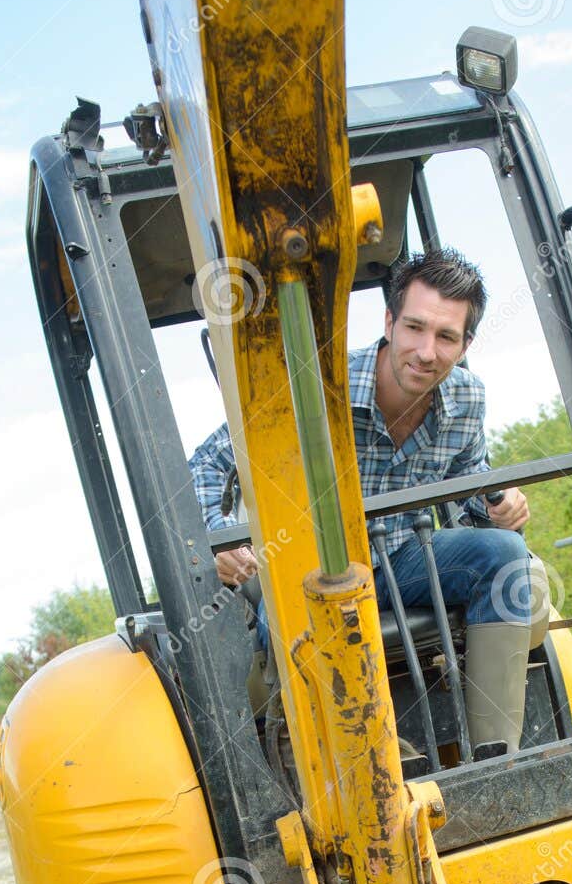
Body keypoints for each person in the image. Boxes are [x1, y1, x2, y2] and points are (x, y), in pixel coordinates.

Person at [189, 247, 550, 755]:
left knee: (506, 556)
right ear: (389, 322)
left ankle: (496, 761)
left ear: (466, 344)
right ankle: (375, 758)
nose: (426, 351)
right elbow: (207, 463)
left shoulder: (468, 400)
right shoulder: (315, 385)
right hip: (307, 571)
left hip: (402, 559)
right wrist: (219, 537)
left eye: (446, 337)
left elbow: (469, 484)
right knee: (289, 611)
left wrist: (499, 504)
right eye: (415, 328)